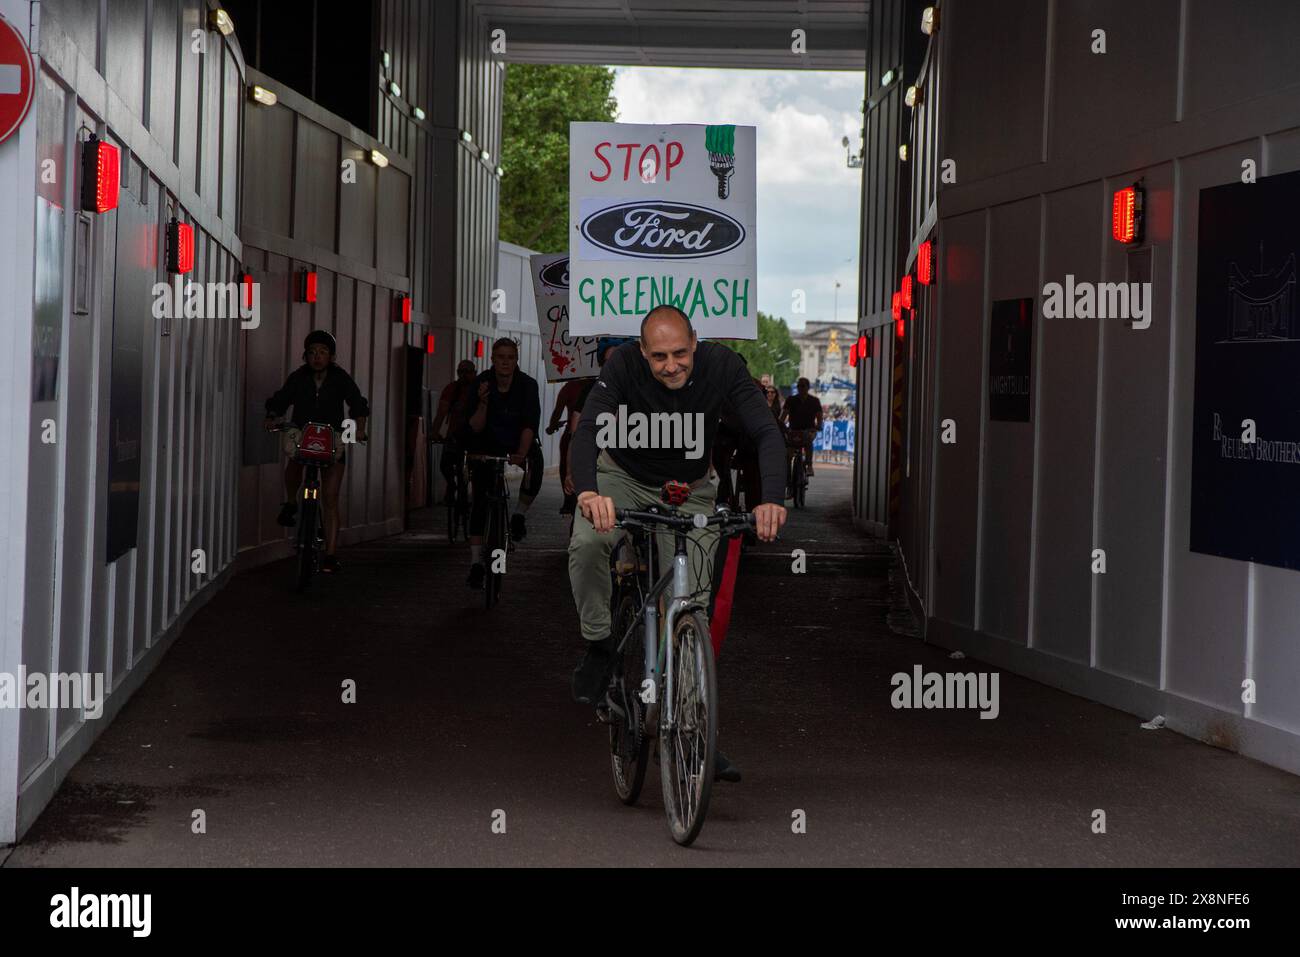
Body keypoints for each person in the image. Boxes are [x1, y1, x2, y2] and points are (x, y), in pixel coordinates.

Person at [567, 306, 787, 782]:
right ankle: (600, 645)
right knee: (587, 544)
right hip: (621, 477)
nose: (672, 365)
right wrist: (587, 491)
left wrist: (771, 499)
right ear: (642, 351)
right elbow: (588, 431)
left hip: (688, 490)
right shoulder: (621, 365)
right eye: (660, 355)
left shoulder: (723, 365)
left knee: (691, 609)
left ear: (696, 341)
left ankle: (691, 731)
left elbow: (766, 430)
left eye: (681, 353)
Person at [263, 330, 370, 574]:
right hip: (303, 432)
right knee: (293, 461)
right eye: (312, 352)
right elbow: (281, 399)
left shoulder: (340, 378)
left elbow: (357, 403)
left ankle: (330, 554)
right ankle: (291, 501)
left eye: (322, 352)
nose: (317, 357)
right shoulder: (298, 377)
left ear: (331, 356)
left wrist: (359, 428)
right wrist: (272, 416)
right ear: (305, 356)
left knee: (330, 498)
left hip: (332, 437)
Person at [461, 337, 543, 590]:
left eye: (510, 357)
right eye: (500, 357)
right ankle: (476, 564)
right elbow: (474, 425)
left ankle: (518, 515)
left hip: (518, 441)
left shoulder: (527, 385)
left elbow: (530, 424)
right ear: (493, 360)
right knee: (481, 502)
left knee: (536, 465)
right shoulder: (481, 383)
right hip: (486, 444)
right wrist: (484, 401)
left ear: (516, 360)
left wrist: (521, 453)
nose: (505, 362)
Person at [431, 359, 477, 503]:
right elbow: (441, 412)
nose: (463, 375)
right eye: (460, 372)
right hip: (455, 435)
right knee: (445, 464)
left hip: (475, 435)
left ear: (474, 373)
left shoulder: (479, 389)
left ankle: (474, 495)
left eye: (467, 372)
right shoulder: (452, 389)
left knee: (475, 467)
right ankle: (452, 485)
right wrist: (435, 431)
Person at [547, 376, 594, 516]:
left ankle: (568, 499)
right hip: (595, 435)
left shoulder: (569, 387)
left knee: (566, 467)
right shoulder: (602, 385)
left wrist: (552, 426)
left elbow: (557, 411)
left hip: (572, 433)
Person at [781, 377, 824, 477]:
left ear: (808, 387)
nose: (801, 388)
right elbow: (783, 417)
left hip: (809, 430)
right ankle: (787, 474)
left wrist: (818, 426)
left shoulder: (814, 401)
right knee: (789, 452)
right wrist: (782, 426)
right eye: (799, 386)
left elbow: (820, 417)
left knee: (808, 441)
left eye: (803, 386)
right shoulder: (791, 400)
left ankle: (809, 465)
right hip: (793, 431)